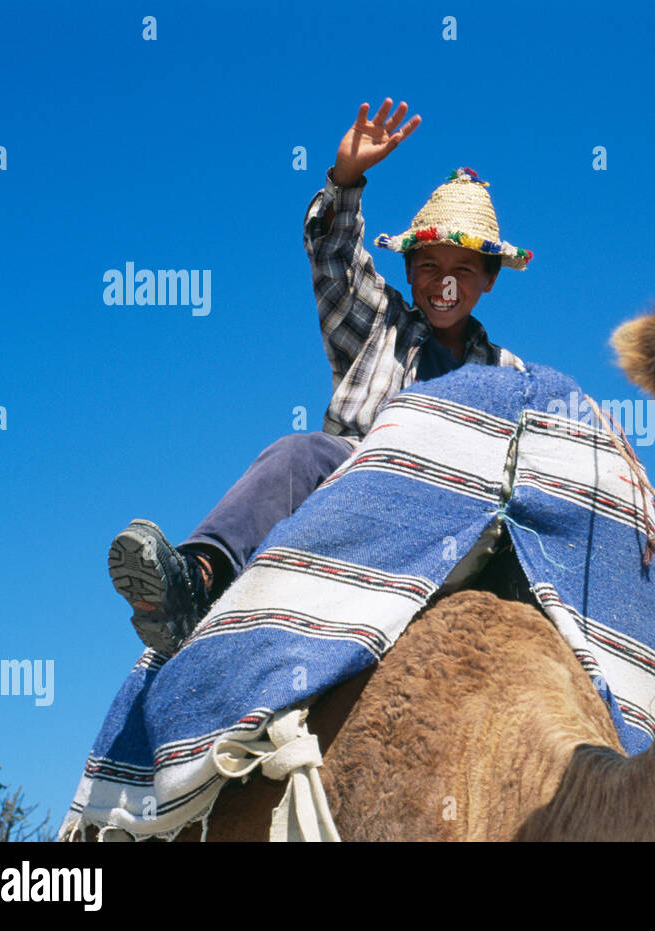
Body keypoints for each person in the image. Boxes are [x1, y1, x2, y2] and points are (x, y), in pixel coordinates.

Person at [107, 98, 532, 656]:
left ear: (489, 281)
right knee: (299, 453)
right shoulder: (378, 324)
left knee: (531, 542)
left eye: (462, 270)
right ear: (408, 270)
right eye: (429, 266)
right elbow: (333, 254)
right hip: (357, 479)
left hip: (455, 517)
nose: (443, 283)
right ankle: (193, 582)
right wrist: (348, 178)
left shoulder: (510, 375)